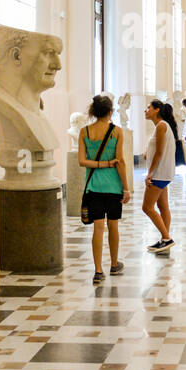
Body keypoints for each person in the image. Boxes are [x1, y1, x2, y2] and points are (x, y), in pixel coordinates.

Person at [78, 94, 130, 285]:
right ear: (110, 112)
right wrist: (126, 188)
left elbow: (82, 161)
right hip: (114, 185)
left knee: (98, 228)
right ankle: (114, 264)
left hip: (93, 186)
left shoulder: (84, 132)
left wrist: (99, 164)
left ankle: (98, 270)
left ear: (93, 111)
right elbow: (120, 161)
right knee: (113, 225)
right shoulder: (116, 131)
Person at [142, 100, 178, 254]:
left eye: (148, 108)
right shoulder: (161, 126)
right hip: (164, 173)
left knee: (147, 207)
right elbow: (156, 149)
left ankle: (166, 238)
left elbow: (159, 152)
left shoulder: (162, 126)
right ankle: (165, 240)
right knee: (163, 207)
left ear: (157, 110)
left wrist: (149, 173)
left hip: (159, 173)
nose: (145, 110)